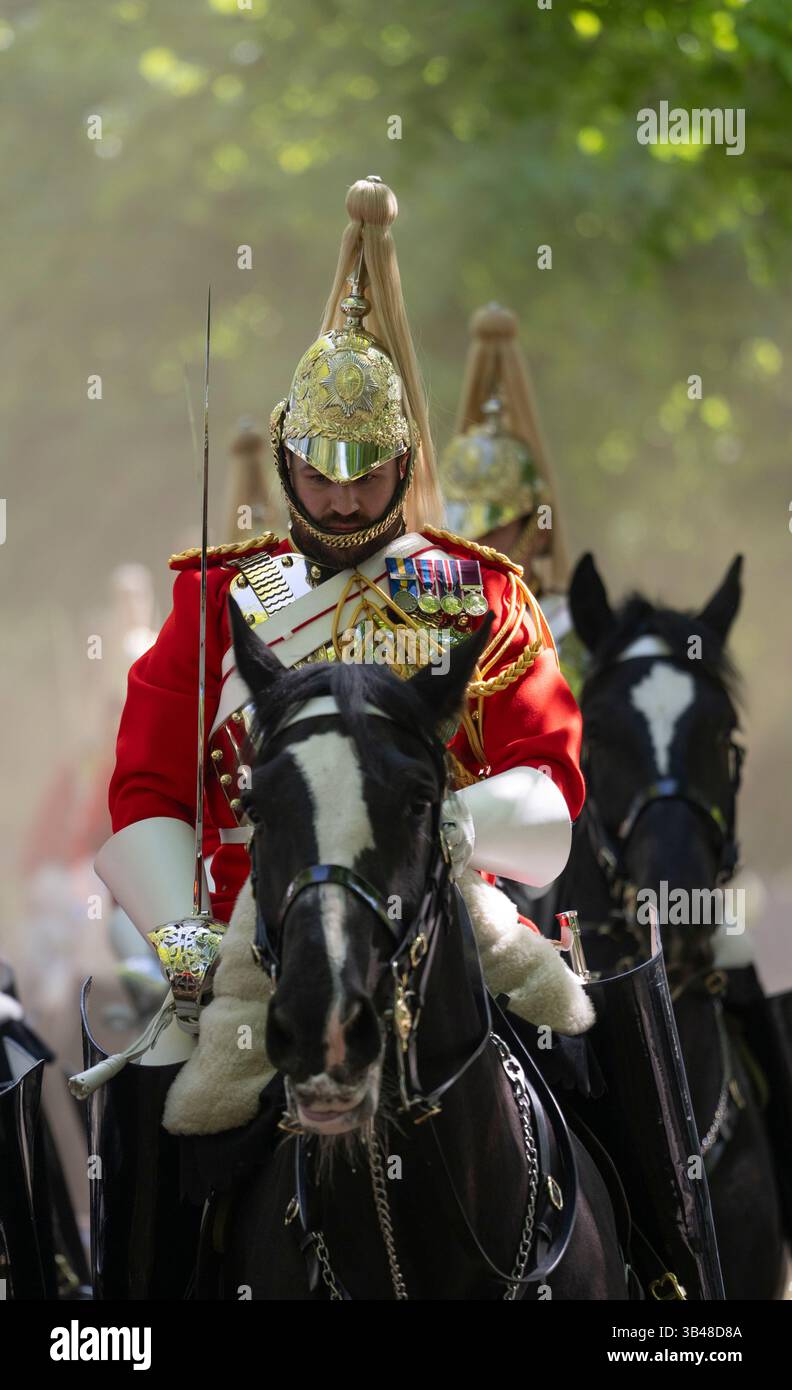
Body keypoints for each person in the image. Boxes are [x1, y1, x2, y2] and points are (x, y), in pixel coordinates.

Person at [94, 177, 585, 1064]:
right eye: (321, 473)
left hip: (440, 929)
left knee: (593, 1063)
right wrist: (179, 936)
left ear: (404, 465)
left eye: (367, 472)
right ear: (287, 460)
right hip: (250, 945)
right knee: (152, 1096)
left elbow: (546, 773)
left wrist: (447, 829)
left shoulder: (481, 593)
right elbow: (148, 786)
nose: (345, 497)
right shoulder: (217, 599)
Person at [441, 302, 587, 697]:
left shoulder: (572, 633)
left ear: (538, 531)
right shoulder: (422, 626)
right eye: (461, 525)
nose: (471, 545)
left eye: (492, 526)